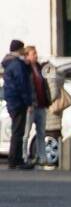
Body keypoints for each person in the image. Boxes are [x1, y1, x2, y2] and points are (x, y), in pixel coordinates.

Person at [3, 39, 34, 169]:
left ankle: (15, 159)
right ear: (19, 49)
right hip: (18, 102)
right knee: (18, 132)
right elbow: (22, 84)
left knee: (17, 131)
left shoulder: (9, 63)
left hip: (12, 101)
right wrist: (28, 102)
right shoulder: (16, 64)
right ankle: (16, 160)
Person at [23, 45, 52, 167]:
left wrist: (47, 100)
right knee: (26, 132)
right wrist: (28, 103)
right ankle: (24, 156)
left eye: (36, 53)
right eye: (33, 53)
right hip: (31, 105)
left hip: (41, 105)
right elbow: (26, 87)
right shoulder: (26, 68)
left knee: (41, 132)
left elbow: (44, 85)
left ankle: (42, 156)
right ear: (27, 55)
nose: (36, 55)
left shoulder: (39, 67)